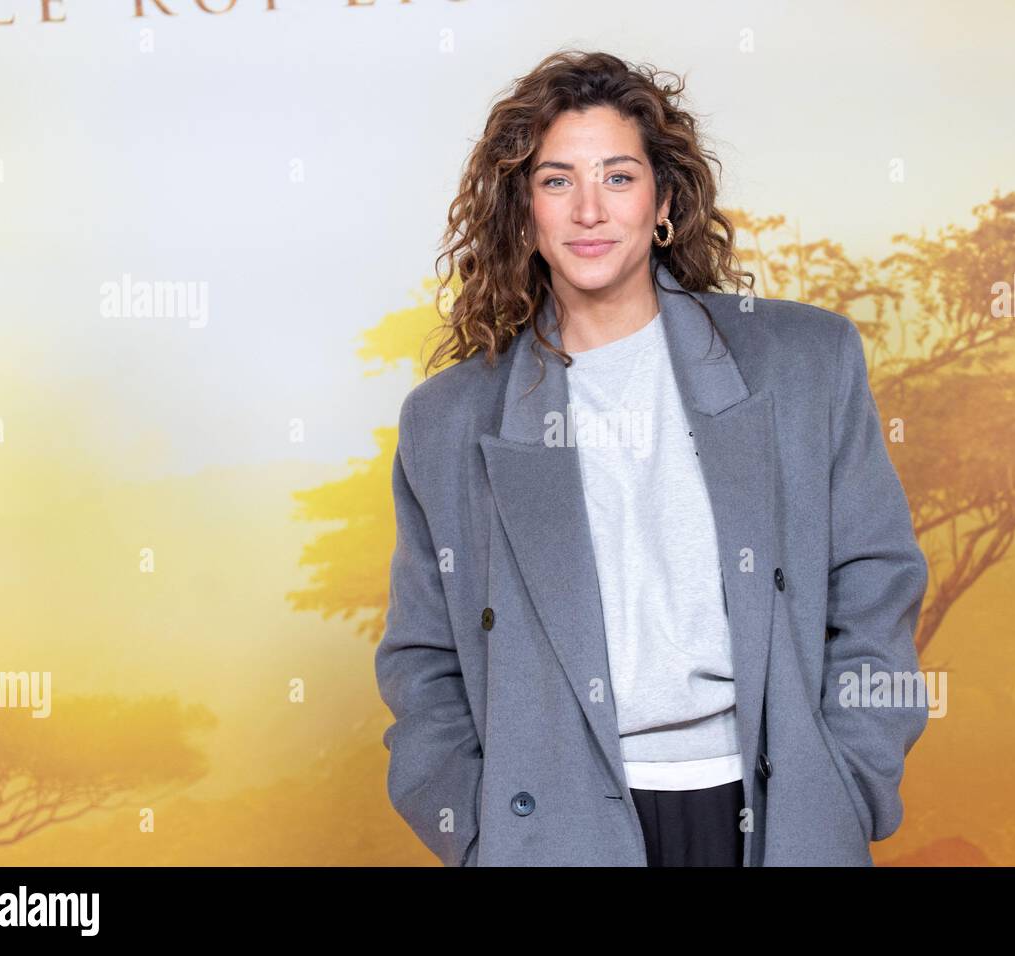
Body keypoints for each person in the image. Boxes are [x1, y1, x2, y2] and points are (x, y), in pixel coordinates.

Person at [375, 49, 930, 867]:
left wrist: (847, 786)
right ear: (524, 212)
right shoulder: (447, 421)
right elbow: (424, 667)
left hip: (776, 817)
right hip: (555, 830)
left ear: (664, 201)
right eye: (558, 180)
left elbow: (876, 588)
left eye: (620, 177)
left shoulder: (804, 361)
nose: (590, 209)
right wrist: (483, 833)